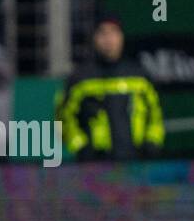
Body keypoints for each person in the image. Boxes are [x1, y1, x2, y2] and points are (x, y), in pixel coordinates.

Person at [55, 14, 163, 159]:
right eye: (103, 33)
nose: (109, 39)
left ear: (121, 37)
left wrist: (152, 143)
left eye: (114, 32)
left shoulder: (139, 75)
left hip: (135, 161)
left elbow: (155, 115)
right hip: (94, 165)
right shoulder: (80, 78)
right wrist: (80, 146)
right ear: (94, 38)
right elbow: (63, 116)